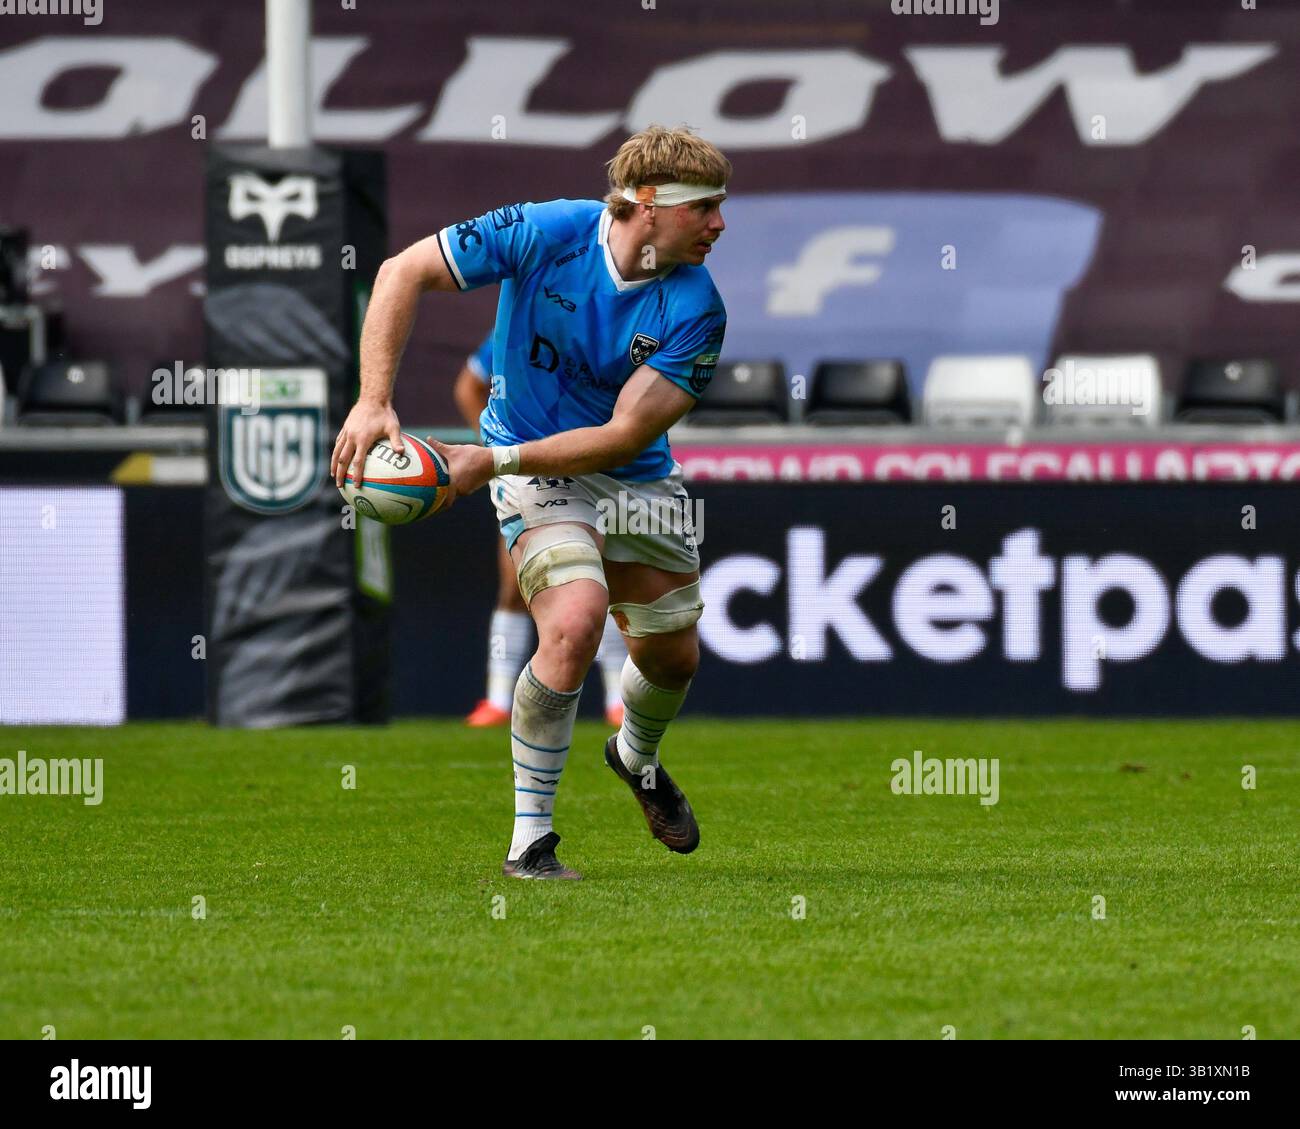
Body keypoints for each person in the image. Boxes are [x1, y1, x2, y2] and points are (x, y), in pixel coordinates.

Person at [332, 124, 728, 881]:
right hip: (535, 466)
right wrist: (372, 401)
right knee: (575, 621)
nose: (718, 223)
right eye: (702, 207)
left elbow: (621, 437)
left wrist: (489, 459)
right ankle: (531, 841)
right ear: (646, 203)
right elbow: (399, 271)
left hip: (631, 474)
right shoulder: (543, 230)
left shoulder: (698, 308)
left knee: (672, 654)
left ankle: (635, 759)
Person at [452, 332, 628, 729]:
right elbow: (468, 386)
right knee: (514, 585)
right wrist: (495, 452)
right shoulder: (510, 332)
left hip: (595, 467)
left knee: (605, 579)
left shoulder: (601, 327)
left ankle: (618, 697)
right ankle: (497, 699)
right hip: (526, 473)